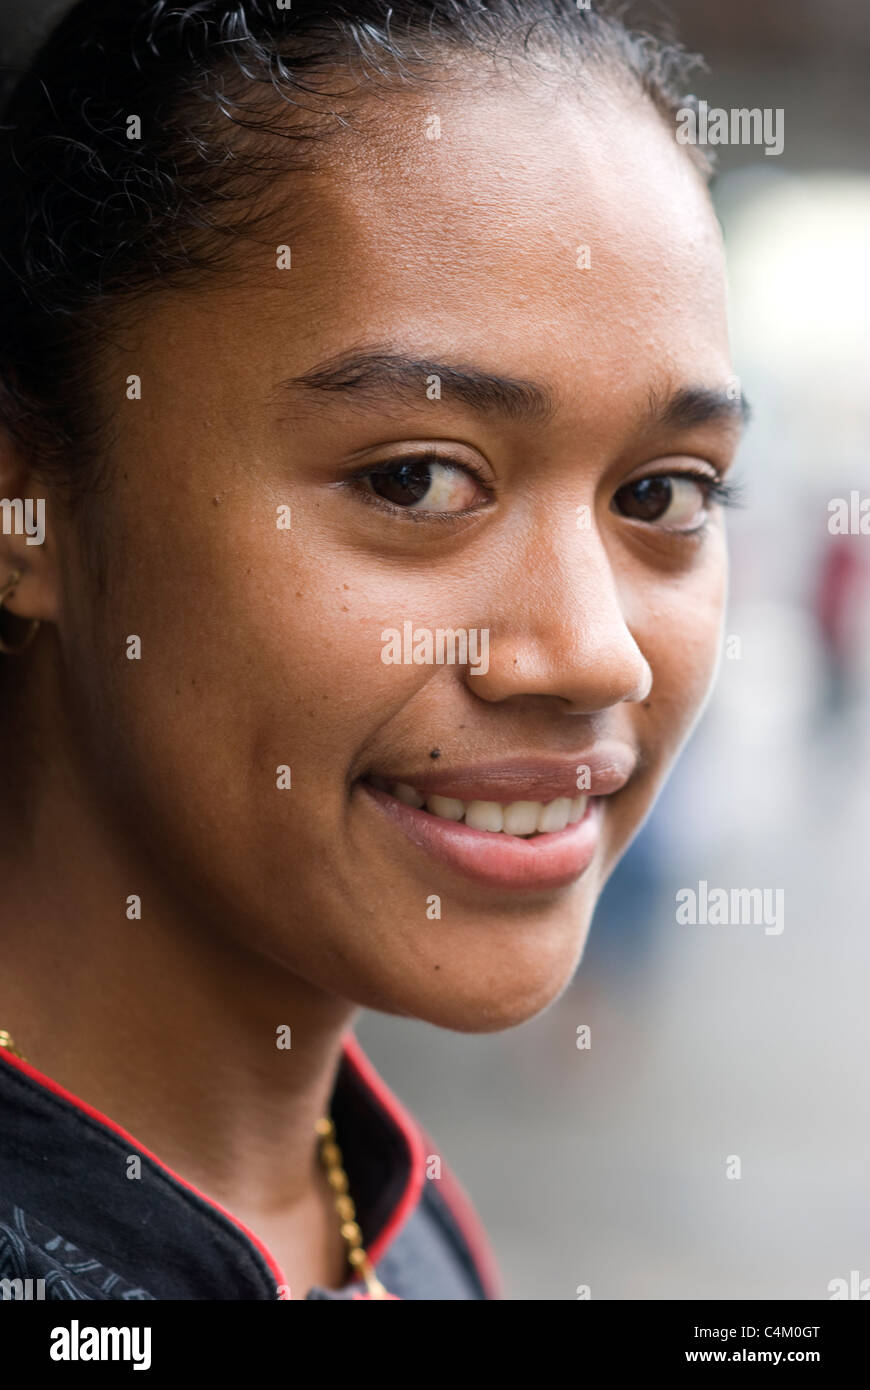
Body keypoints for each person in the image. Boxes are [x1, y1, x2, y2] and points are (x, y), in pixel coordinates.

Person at [0, 0, 747, 1301]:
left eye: (660, 495)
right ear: (29, 506)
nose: (589, 653)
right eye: (412, 479)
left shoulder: (386, 1206)